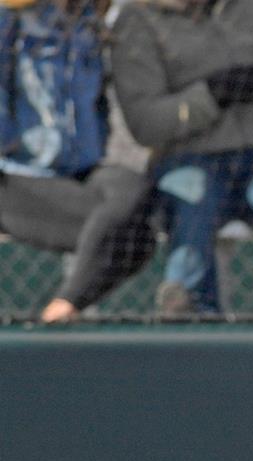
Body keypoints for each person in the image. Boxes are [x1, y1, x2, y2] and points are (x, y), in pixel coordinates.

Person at [111, 0, 253, 318]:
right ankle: (191, 321)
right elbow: (144, 123)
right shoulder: (138, 20)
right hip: (189, 156)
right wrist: (212, 94)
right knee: (190, 225)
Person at [0, 0, 155, 323]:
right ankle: (62, 313)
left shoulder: (88, 24)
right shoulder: (10, 21)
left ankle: (62, 307)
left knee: (133, 191)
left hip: (78, 167)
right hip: (14, 174)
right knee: (131, 238)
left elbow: (95, 104)